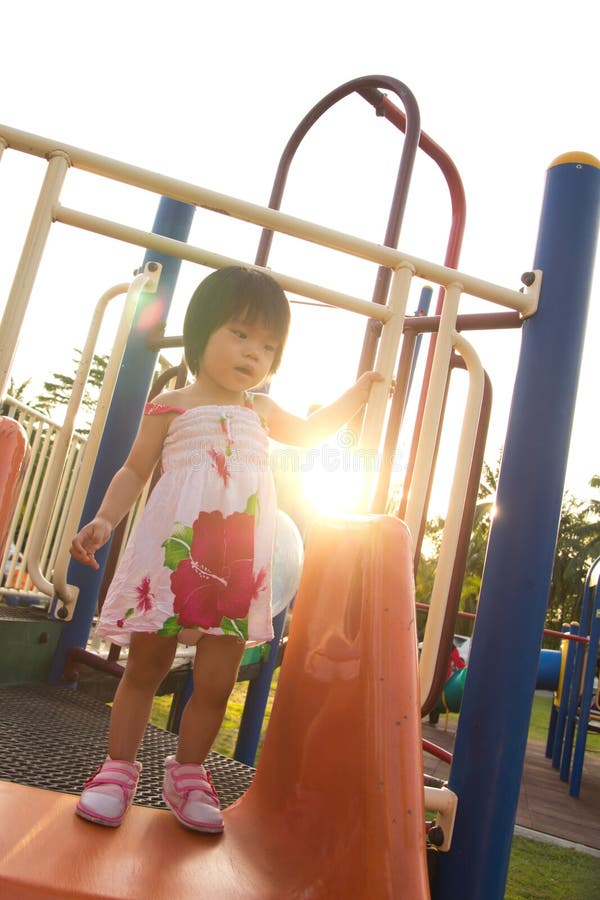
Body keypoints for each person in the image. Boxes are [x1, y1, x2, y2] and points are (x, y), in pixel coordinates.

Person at [70, 265, 384, 834]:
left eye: (268, 345)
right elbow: (134, 469)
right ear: (202, 332)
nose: (253, 354)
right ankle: (117, 770)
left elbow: (312, 432)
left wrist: (356, 397)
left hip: (238, 566)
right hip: (175, 558)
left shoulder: (260, 411)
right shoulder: (171, 404)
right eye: (240, 334)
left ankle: (188, 774)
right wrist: (103, 520)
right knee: (146, 667)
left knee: (216, 681)